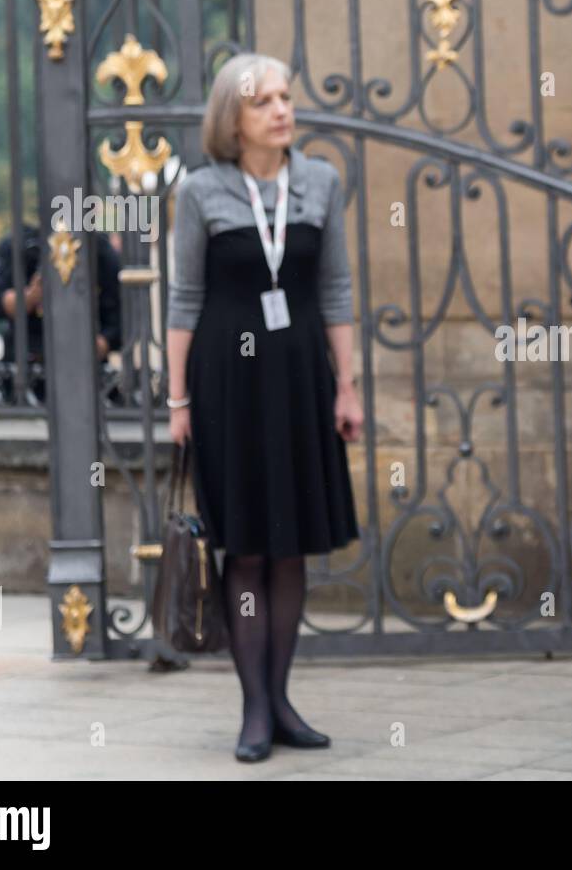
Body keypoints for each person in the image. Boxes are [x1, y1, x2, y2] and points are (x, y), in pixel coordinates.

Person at [166, 52, 363, 762]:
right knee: (245, 546)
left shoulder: (321, 182)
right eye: (264, 101)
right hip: (227, 386)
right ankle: (252, 706)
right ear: (233, 118)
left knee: (289, 544)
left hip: (301, 380)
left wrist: (347, 384)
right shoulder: (201, 191)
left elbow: (336, 288)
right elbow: (184, 298)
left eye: (286, 96)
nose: (282, 109)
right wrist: (178, 398)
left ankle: (280, 698)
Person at [0, 223, 123, 402]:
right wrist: (30, 297)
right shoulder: (20, 245)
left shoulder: (98, 249)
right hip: (25, 374)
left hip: (86, 375)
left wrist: (100, 344)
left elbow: (122, 317)